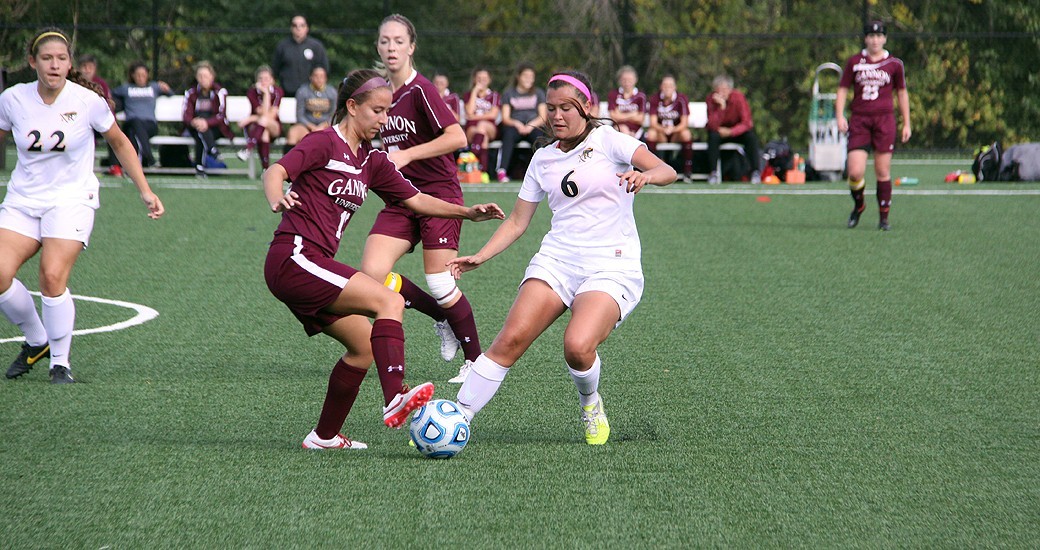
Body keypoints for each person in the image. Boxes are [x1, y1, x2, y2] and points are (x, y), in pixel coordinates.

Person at [262, 69, 503, 449]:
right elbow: (276, 170)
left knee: (362, 347)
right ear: (352, 106)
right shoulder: (324, 142)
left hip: (313, 263)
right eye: (377, 110)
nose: (385, 119)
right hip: (294, 257)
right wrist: (277, 196)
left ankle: (323, 436)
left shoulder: (371, 161)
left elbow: (417, 200)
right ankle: (395, 397)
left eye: (388, 111)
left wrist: (467, 212)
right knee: (388, 301)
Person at [447, 71, 677, 445]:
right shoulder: (542, 159)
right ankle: (455, 417)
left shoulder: (609, 140)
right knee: (509, 340)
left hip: (611, 264)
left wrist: (645, 177)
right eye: (551, 108)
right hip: (557, 260)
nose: (557, 116)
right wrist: (481, 256)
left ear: (586, 106)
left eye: (566, 108)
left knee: (577, 346)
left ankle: (590, 404)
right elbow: (517, 221)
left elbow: (667, 170)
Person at [0, 29, 164, 384]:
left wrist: (145, 190)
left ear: (69, 63)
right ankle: (37, 340)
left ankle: (60, 363)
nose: (54, 65)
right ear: (32, 62)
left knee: (51, 276)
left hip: (72, 200)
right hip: (23, 200)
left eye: (61, 58)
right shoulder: (12, 99)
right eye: (46, 58)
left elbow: (120, 143)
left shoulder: (88, 100)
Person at [364, 14, 489, 385]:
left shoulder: (421, 90)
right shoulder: (379, 94)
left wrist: (407, 154)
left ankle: (476, 362)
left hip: (438, 193)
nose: (391, 47)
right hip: (402, 198)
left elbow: (457, 137)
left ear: (411, 47)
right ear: (378, 47)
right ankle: (441, 316)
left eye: (398, 41)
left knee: (440, 281)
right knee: (371, 275)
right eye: (385, 41)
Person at [836, 20, 911, 231]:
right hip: (860, 120)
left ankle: (884, 218)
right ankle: (859, 205)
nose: (875, 40)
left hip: (884, 120)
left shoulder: (894, 64)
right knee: (855, 172)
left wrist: (907, 122)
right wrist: (839, 115)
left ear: (885, 39)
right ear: (865, 38)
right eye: (871, 36)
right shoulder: (855, 62)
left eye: (879, 36)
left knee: (882, 170)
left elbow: (902, 93)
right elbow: (843, 89)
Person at [110, 62, 172, 171]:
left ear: (147, 75)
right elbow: (110, 94)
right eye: (138, 75)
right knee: (134, 125)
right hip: (131, 123)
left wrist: (166, 88)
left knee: (133, 131)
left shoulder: (154, 86)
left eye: (143, 75)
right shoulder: (126, 88)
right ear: (132, 75)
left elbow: (171, 94)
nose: (140, 77)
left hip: (149, 125)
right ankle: (148, 160)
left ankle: (135, 163)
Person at [705, 75, 761, 184]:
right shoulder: (710, 99)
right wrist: (721, 108)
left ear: (730, 89)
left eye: (724, 89)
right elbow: (712, 125)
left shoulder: (738, 98)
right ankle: (713, 172)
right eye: (718, 90)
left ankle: (755, 172)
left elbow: (747, 122)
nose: (721, 93)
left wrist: (731, 132)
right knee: (712, 136)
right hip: (720, 133)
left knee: (751, 137)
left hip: (736, 132)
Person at [495, 62, 546, 183]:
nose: (529, 79)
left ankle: (541, 172)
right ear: (518, 76)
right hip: (514, 126)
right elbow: (505, 118)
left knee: (540, 137)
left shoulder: (538, 93)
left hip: (533, 126)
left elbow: (542, 117)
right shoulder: (509, 93)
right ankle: (502, 170)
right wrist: (517, 124)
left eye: (531, 76)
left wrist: (530, 126)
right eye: (525, 76)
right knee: (508, 135)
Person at [182, 61, 234, 176]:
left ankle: (199, 166)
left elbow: (221, 115)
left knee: (201, 130)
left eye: (205, 76)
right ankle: (212, 150)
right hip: (196, 127)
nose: (203, 79)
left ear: (212, 77)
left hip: (216, 128)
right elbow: (186, 115)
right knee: (200, 130)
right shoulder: (191, 93)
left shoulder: (219, 92)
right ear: (196, 77)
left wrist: (206, 122)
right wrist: (193, 122)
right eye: (200, 76)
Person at [646, 74, 694, 182]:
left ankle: (687, 170)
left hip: (675, 132)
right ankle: (652, 169)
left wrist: (672, 129)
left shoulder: (681, 99)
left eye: (670, 85)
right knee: (651, 133)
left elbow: (684, 123)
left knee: (686, 134)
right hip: (661, 133)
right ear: (661, 87)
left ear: (675, 87)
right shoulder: (655, 98)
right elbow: (653, 123)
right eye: (665, 85)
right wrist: (663, 129)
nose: (667, 88)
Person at [236, 65, 283, 170]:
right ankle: (265, 169)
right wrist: (266, 94)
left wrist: (250, 118)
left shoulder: (278, 91)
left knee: (264, 121)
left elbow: (270, 115)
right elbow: (262, 113)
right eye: (260, 79)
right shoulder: (252, 92)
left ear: (272, 80)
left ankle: (248, 149)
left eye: (266, 79)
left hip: (274, 127)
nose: (263, 81)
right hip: (258, 128)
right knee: (264, 133)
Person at [271, 15, 329, 99]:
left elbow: (324, 68)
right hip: (287, 93)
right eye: (295, 25)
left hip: (311, 94)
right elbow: (275, 70)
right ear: (291, 28)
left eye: (302, 25)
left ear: (307, 28)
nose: (298, 28)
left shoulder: (316, 46)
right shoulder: (282, 46)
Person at [76, 54, 115, 168]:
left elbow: (108, 106)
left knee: (114, 133)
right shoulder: (72, 83)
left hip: (98, 121)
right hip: (78, 121)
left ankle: (115, 165)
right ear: (79, 68)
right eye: (84, 66)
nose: (87, 70)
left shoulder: (101, 84)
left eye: (90, 67)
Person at [286, 66, 336, 152]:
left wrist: (323, 126)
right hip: (306, 125)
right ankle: (288, 159)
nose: (319, 79)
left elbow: (334, 114)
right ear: (311, 77)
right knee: (293, 132)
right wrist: (312, 127)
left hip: (326, 126)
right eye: (316, 76)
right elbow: (299, 115)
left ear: (326, 78)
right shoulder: (302, 91)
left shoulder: (332, 92)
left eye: (322, 76)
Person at [462, 67, 501, 173]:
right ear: (474, 79)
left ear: (489, 80)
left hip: (490, 127)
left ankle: (473, 155)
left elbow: (493, 115)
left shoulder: (494, 95)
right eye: (479, 78)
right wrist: (475, 91)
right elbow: (469, 111)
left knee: (482, 125)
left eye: (484, 78)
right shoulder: (468, 95)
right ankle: (482, 171)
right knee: (483, 136)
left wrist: (474, 117)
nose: (481, 81)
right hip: (472, 129)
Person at [607, 65, 647, 139]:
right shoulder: (613, 94)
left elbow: (641, 119)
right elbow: (614, 117)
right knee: (623, 129)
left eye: (630, 80)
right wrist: (633, 114)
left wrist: (620, 115)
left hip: (636, 132)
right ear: (619, 80)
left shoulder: (641, 96)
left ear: (635, 80)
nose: (627, 82)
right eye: (624, 80)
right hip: (618, 130)